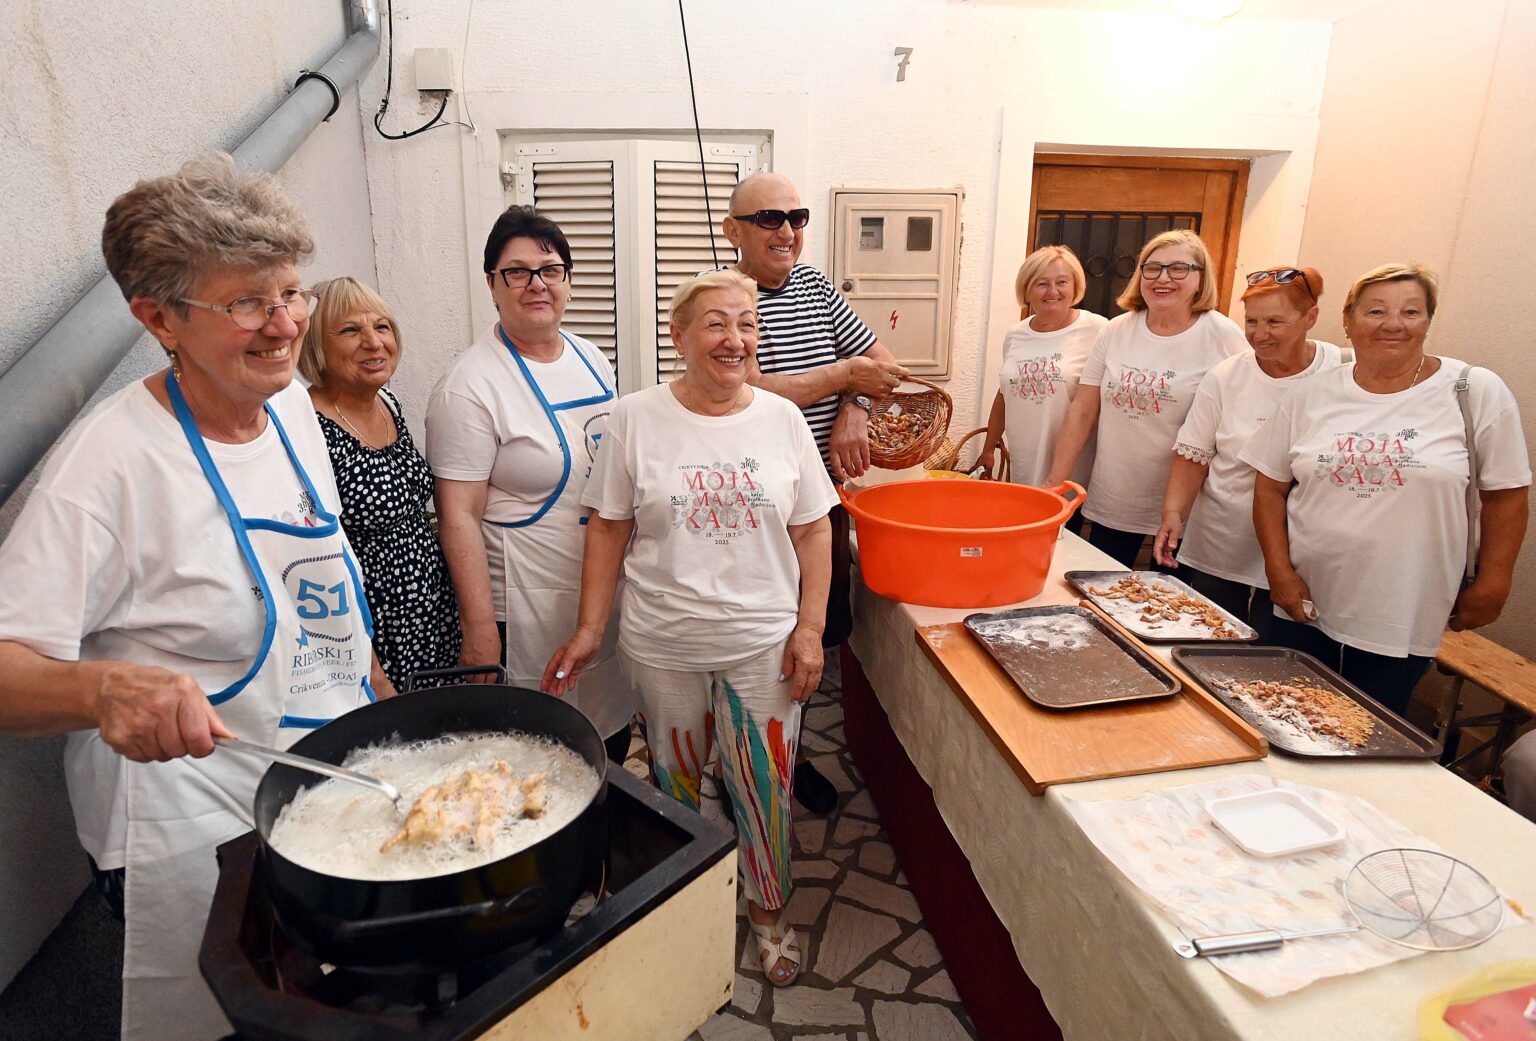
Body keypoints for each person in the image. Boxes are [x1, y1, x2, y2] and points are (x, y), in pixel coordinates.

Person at [0, 154, 389, 1041]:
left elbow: (314, 580)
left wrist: (374, 687)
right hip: (193, 831)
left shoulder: (291, 410)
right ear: (158, 318)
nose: (285, 324)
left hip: (321, 796)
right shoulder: (109, 465)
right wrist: (104, 689)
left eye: (290, 291)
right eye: (248, 302)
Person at [543, 270, 835, 988]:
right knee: (674, 786)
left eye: (747, 324)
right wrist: (589, 627)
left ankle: (768, 910)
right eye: (716, 323)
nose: (735, 339)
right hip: (663, 644)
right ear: (678, 336)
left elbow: (814, 529)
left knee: (764, 783)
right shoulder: (634, 418)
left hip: (762, 644)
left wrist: (810, 629)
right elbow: (609, 526)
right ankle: (685, 906)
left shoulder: (782, 420)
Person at [1242, 263, 1530, 716]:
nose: (1393, 324)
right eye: (1375, 311)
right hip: (1308, 599)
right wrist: (1279, 572)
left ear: (1428, 320)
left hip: (1404, 607)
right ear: (1348, 320)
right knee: (1285, 714)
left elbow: (1506, 496)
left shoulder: (1473, 391)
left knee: (1368, 726)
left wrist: (1495, 582)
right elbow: (1269, 487)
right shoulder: (1310, 395)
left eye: (1411, 312)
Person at [723, 170, 907, 813]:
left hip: (821, 499)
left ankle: (789, 752)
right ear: (733, 230)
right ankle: (755, 757)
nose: (787, 230)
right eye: (769, 218)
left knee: (816, 626)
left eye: (796, 218)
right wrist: (845, 374)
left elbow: (883, 366)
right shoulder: (727, 297)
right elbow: (751, 389)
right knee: (761, 633)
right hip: (754, 507)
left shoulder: (817, 286)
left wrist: (855, 404)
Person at [428, 206, 635, 762]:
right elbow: (458, 516)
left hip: (594, 595)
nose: (536, 284)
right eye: (517, 272)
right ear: (492, 284)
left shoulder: (590, 357)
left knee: (607, 739)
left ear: (568, 280)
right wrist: (479, 630)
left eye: (550, 270)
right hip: (522, 606)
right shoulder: (468, 386)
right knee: (535, 753)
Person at [1151, 267, 1344, 634]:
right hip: (1224, 539)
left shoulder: (1339, 372)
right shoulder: (1225, 376)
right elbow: (1193, 455)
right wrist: (1173, 514)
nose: (1259, 334)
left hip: (1300, 549)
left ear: (1311, 318)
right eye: (1252, 321)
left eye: (1275, 322)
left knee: (1277, 649)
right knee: (1214, 642)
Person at [1044, 229, 1247, 567]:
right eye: (1152, 268)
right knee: (1103, 586)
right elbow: (1082, 409)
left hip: (1186, 505)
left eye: (1179, 268)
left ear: (1200, 278)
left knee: (1167, 596)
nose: (1163, 278)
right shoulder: (1117, 330)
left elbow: (1238, 425)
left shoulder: (1223, 336)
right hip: (1117, 495)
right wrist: (1055, 484)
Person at [298, 277, 461, 690]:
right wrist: (370, 666)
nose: (373, 342)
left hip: (429, 611)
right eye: (350, 330)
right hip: (371, 626)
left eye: (382, 326)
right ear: (317, 346)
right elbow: (314, 557)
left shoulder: (388, 403)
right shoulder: (307, 426)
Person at [977, 245, 1108, 501]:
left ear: (1075, 286)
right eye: (1042, 284)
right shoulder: (1016, 334)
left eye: (1062, 282)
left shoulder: (1098, 329)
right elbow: (1004, 395)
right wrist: (989, 448)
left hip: (1073, 474)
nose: (1052, 292)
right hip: (1024, 464)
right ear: (1027, 289)